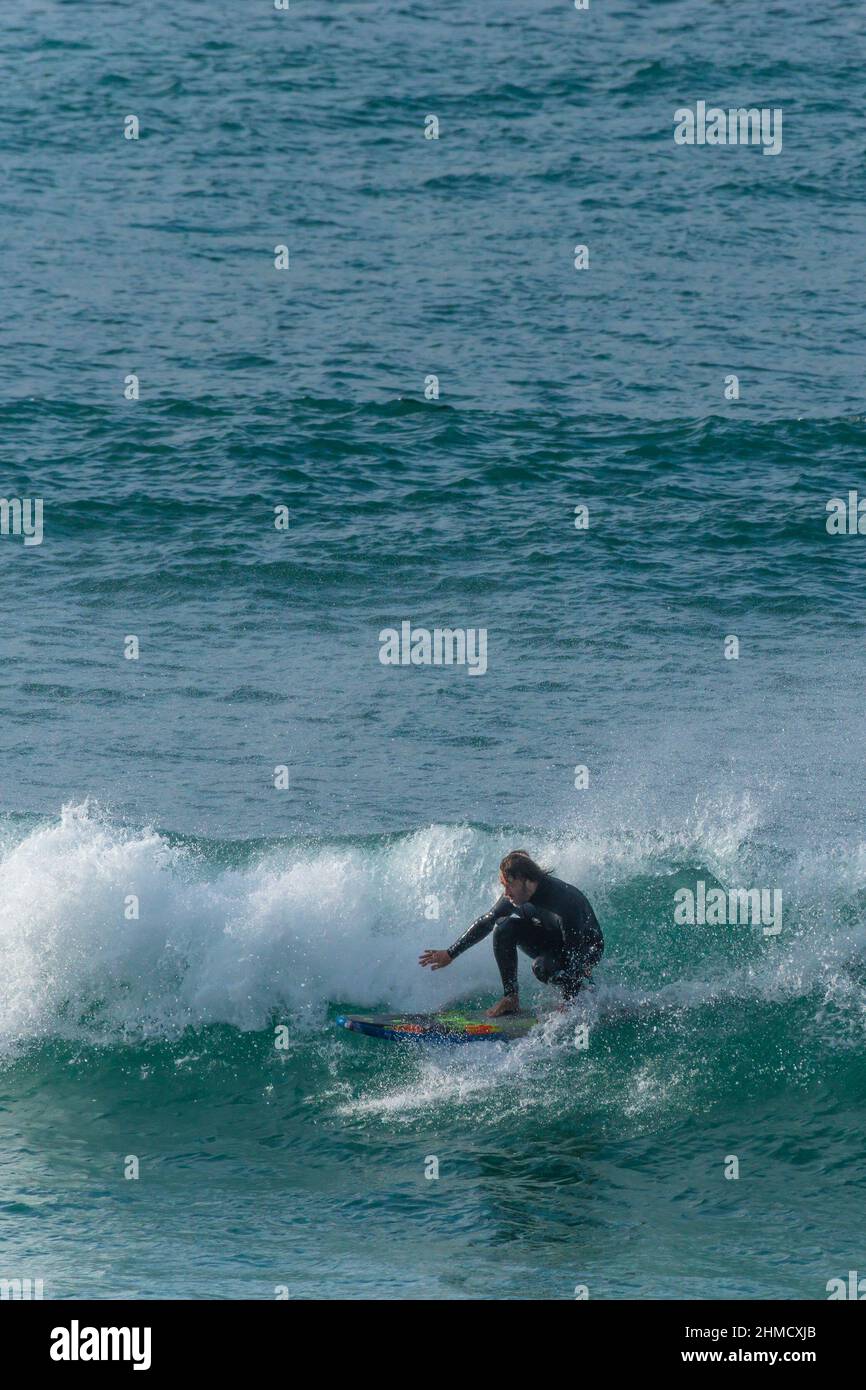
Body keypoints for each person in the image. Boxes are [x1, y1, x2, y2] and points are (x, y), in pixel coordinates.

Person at [419, 850, 603, 1017]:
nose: (505, 892)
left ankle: (580, 995)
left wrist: (569, 1000)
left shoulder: (564, 904)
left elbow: (575, 956)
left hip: (585, 947)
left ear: (528, 881)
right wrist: (450, 953)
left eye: (509, 885)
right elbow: (487, 921)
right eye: (503, 885)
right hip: (551, 937)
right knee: (503, 927)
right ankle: (511, 998)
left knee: (543, 967)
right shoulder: (517, 895)